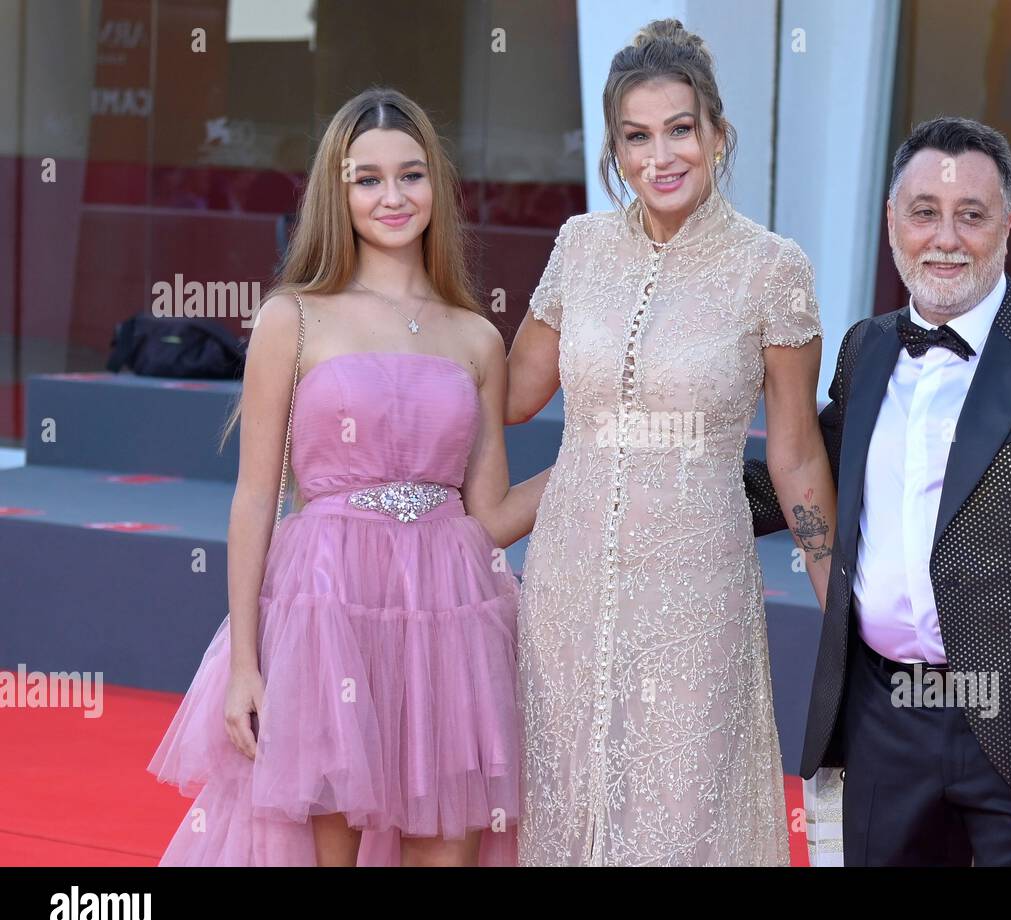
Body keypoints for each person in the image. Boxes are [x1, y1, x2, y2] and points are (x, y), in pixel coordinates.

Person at [148, 88, 549, 866]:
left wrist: (591, 467)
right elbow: (257, 496)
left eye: (411, 175)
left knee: (452, 847)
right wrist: (245, 666)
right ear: (338, 192)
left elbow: (490, 515)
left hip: (449, 618)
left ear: (438, 184)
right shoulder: (292, 318)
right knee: (322, 846)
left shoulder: (476, 337)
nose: (393, 197)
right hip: (325, 612)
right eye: (367, 179)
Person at [746, 116, 1011, 866]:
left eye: (971, 214)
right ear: (893, 223)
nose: (945, 237)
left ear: (1006, 225)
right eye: (925, 212)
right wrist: (651, 473)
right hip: (882, 716)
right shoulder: (866, 347)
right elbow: (803, 475)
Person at [504, 19, 835, 865]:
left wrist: (842, 603)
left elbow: (794, 451)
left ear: (718, 134)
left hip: (696, 588)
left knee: (681, 813)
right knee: (564, 797)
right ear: (614, 150)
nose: (662, 156)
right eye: (636, 136)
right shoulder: (578, 248)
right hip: (565, 584)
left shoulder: (773, 267)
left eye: (680, 129)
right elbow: (509, 398)